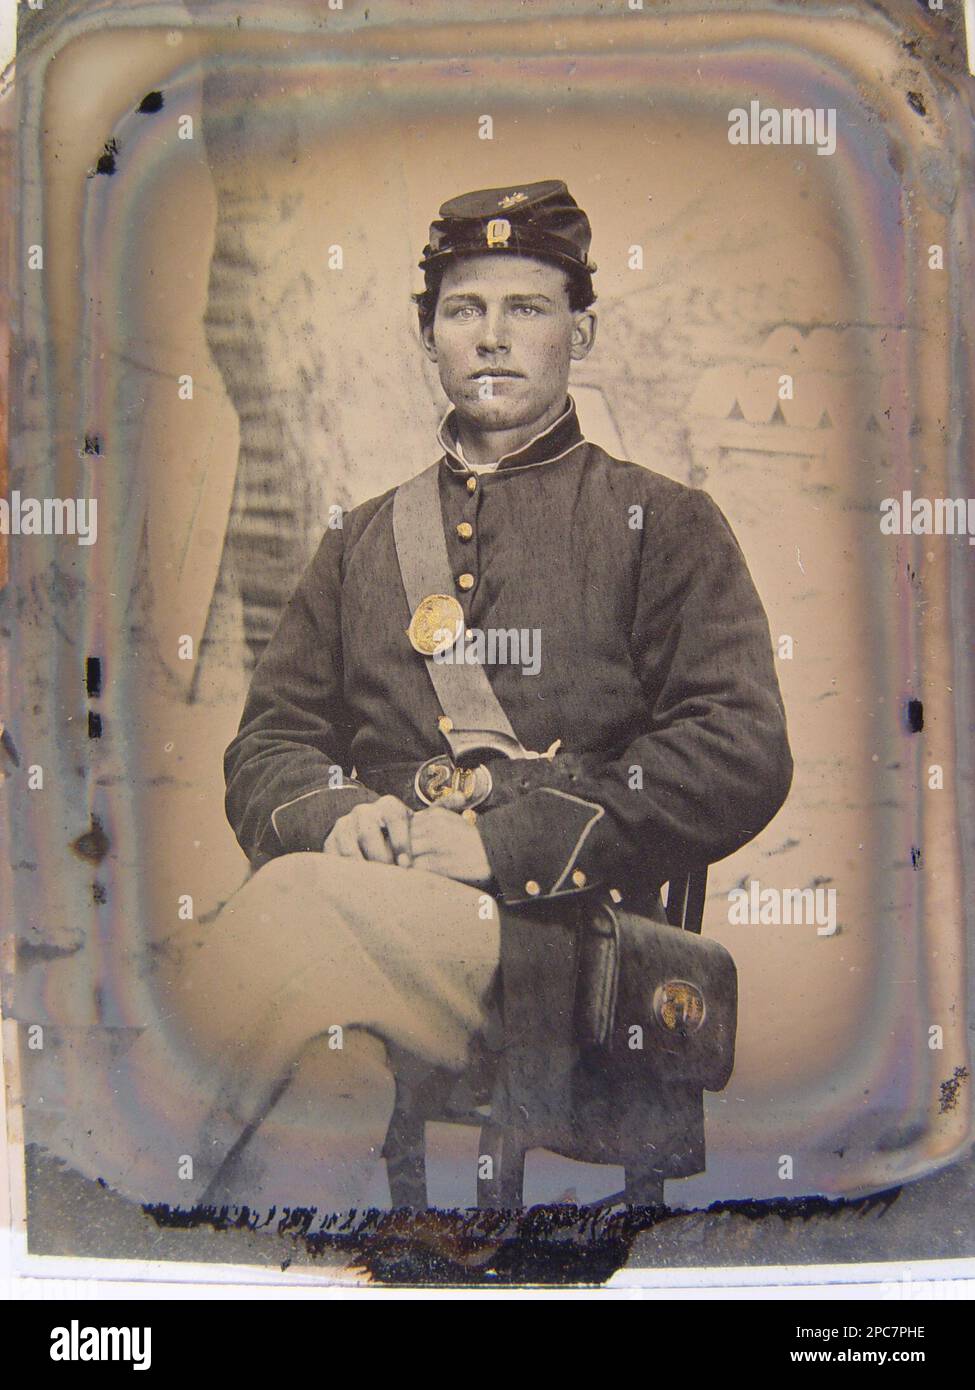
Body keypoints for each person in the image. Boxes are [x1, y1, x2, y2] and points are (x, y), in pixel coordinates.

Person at [45, 181, 793, 1214]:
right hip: (363, 915)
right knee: (322, 1051)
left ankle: (104, 1194)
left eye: (525, 309)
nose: (491, 337)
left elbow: (739, 747)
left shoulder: (661, 522)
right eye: (461, 310)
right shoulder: (360, 543)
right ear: (425, 333)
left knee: (288, 920)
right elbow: (269, 746)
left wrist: (500, 845)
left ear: (583, 328)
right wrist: (345, 821)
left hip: (557, 950)